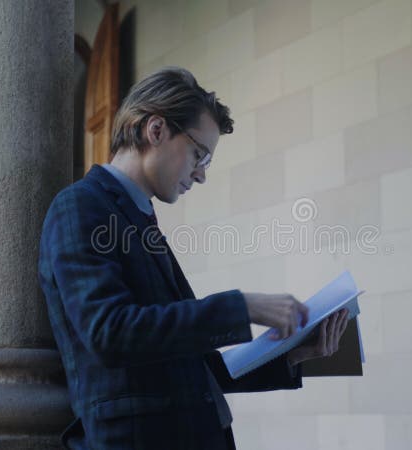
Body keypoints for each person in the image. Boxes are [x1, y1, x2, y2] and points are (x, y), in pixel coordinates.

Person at [38, 67, 349, 449]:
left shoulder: (137, 219)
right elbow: (109, 332)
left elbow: (190, 367)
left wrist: (293, 355)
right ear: (156, 130)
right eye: (198, 154)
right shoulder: (79, 206)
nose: (200, 175)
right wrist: (242, 307)